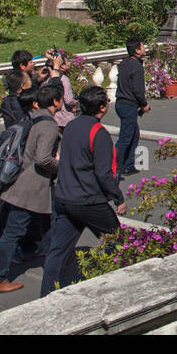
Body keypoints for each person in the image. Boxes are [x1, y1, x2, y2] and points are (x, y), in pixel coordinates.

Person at [39, 85, 126, 297]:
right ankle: (118, 285)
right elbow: (104, 173)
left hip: (64, 197)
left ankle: (46, 293)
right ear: (103, 107)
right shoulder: (99, 133)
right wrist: (118, 198)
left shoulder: (70, 127)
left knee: (59, 250)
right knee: (119, 242)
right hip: (88, 200)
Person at [0, 82, 62, 294]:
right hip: (32, 188)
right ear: (56, 102)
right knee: (14, 232)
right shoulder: (49, 125)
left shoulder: (32, 118)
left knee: (47, 228)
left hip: (22, 183)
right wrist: (61, 166)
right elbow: (43, 159)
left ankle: (55, 263)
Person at [0, 70, 31, 246]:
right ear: (22, 86)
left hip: (9, 147)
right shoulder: (20, 104)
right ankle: (5, 235)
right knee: (8, 191)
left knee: (3, 191)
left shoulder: (7, 101)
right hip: (18, 150)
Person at [115, 38, 149, 176]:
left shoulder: (124, 63)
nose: (144, 48)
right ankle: (115, 165)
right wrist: (144, 104)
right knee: (126, 137)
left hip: (121, 103)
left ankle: (127, 164)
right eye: (142, 46)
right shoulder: (136, 67)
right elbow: (137, 90)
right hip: (129, 105)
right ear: (137, 50)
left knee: (133, 134)